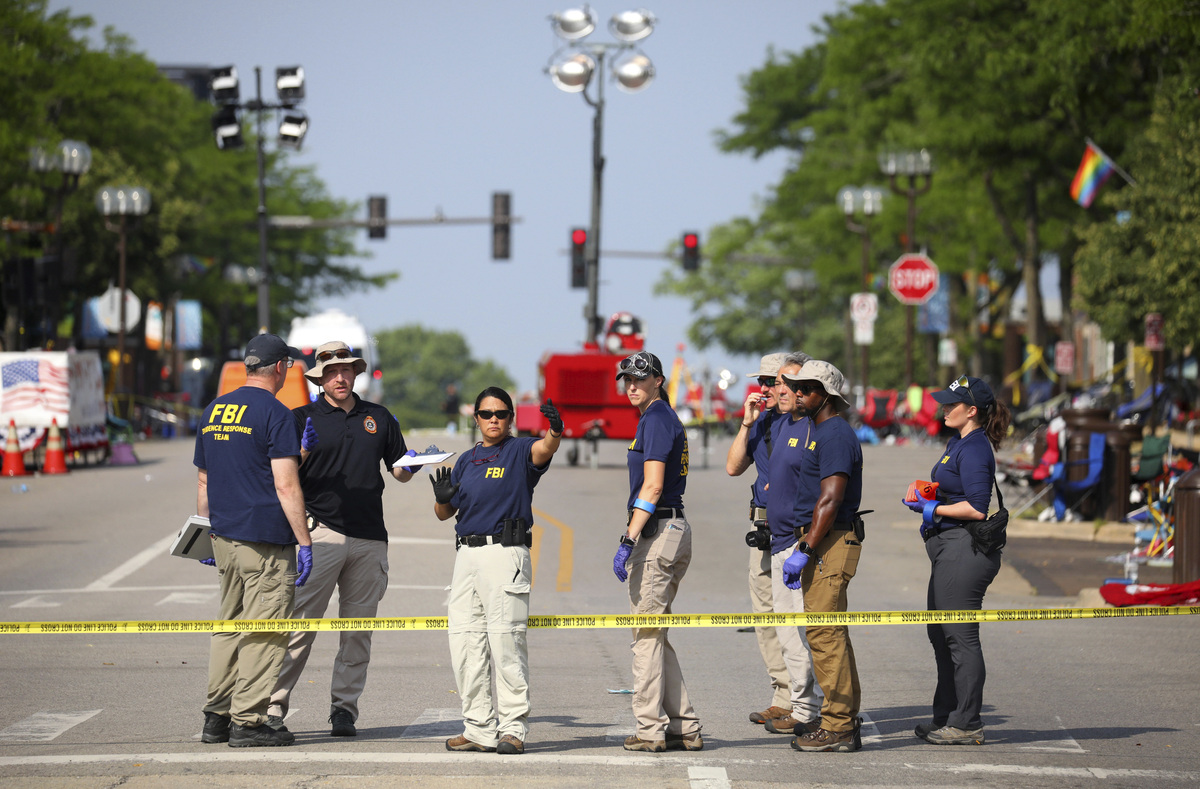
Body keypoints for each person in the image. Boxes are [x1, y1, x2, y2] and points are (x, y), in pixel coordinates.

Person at [268, 340, 415, 738]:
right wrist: (302, 452)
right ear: (319, 377)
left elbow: (397, 470)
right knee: (299, 628)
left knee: (357, 633)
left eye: (347, 370)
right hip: (321, 534)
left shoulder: (379, 417)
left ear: (355, 374)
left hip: (370, 538)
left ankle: (343, 711)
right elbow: (283, 474)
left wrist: (414, 464)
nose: (340, 377)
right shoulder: (300, 418)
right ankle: (272, 708)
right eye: (332, 372)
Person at [194, 333, 312, 748]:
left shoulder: (213, 410)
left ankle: (216, 716)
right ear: (280, 367)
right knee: (266, 630)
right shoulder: (276, 413)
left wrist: (204, 533)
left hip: (224, 537)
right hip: (264, 540)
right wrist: (305, 542)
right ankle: (248, 721)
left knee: (229, 626)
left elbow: (204, 481)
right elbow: (285, 483)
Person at [431, 387, 563, 755]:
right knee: (465, 643)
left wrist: (555, 431)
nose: (494, 420)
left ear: (511, 418)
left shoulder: (519, 450)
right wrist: (442, 498)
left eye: (501, 414)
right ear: (475, 418)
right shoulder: (466, 460)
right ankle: (477, 728)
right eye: (487, 414)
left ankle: (513, 728)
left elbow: (545, 449)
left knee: (506, 643)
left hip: (505, 554)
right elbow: (445, 514)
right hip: (466, 557)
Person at [903, 375, 1011, 746]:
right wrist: (927, 493)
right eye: (945, 402)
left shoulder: (976, 447)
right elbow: (955, 490)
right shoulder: (958, 441)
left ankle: (967, 722)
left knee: (959, 636)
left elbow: (978, 508)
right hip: (947, 548)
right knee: (940, 632)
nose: (944, 408)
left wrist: (933, 508)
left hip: (966, 550)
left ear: (972, 411)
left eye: (953, 404)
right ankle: (946, 716)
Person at [612, 350, 703, 753]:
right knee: (655, 633)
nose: (632, 385)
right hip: (667, 527)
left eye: (640, 378)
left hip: (659, 529)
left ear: (658, 381)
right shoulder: (657, 418)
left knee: (645, 636)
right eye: (627, 379)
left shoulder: (656, 419)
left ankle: (649, 729)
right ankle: (685, 726)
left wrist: (628, 539)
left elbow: (651, 486)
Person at [780, 360, 864, 753]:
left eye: (806, 388)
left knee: (825, 635)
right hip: (820, 543)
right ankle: (838, 717)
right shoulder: (821, 431)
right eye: (795, 387)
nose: (797, 393)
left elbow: (830, 500)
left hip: (829, 543)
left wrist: (806, 548)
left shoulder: (834, 435)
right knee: (828, 635)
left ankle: (838, 727)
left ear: (825, 395)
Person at [725, 352, 793, 726]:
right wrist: (746, 424)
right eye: (763, 382)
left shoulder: (806, 424)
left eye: (772, 381)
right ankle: (783, 695)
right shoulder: (763, 423)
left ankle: (806, 700)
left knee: (794, 619)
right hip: (763, 530)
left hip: (795, 535)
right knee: (765, 615)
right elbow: (734, 467)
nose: (764, 388)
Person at [759, 352, 824, 737]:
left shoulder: (819, 429)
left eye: (794, 384)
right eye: (782, 383)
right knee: (787, 633)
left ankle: (810, 710)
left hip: (800, 544)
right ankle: (802, 707)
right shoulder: (782, 425)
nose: (784, 389)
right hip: (778, 540)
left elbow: (827, 492)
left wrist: (806, 546)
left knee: (803, 633)